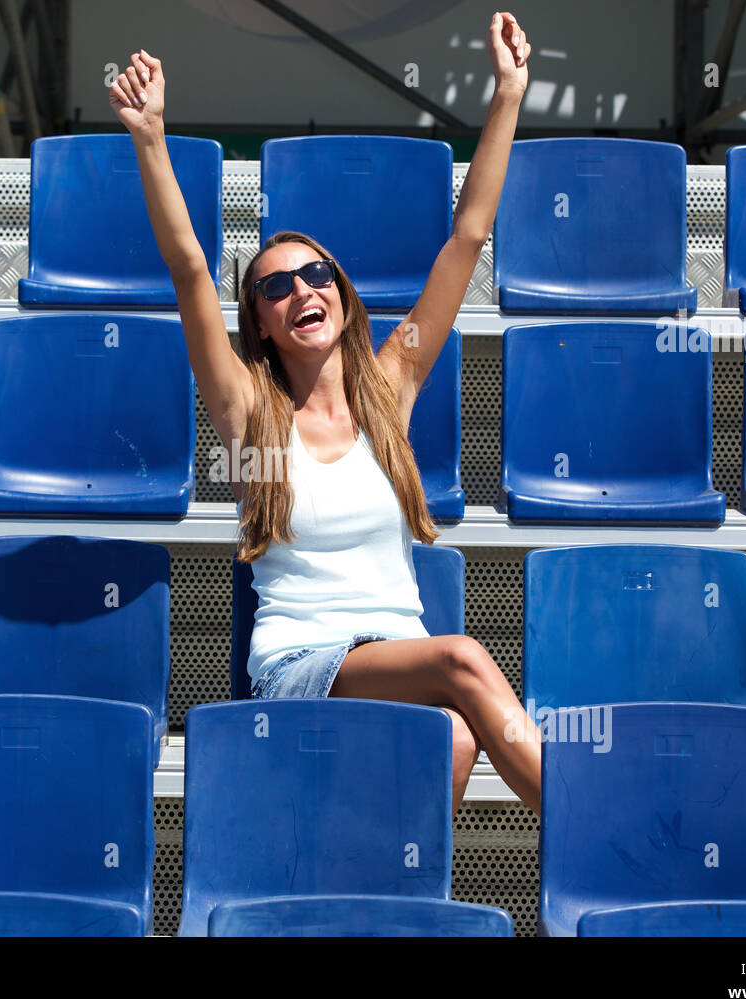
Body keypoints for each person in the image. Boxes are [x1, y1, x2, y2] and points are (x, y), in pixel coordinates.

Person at [110, 12, 540, 814]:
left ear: (340, 294)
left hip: (400, 656)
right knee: (467, 664)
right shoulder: (249, 415)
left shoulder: (393, 387)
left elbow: (467, 238)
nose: (301, 289)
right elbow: (190, 270)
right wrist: (150, 137)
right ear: (263, 323)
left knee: (452, 735)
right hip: (302, 662)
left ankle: (395, 897)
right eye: (277, 286)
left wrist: (509, 92)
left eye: (315, 275)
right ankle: (600, 830)